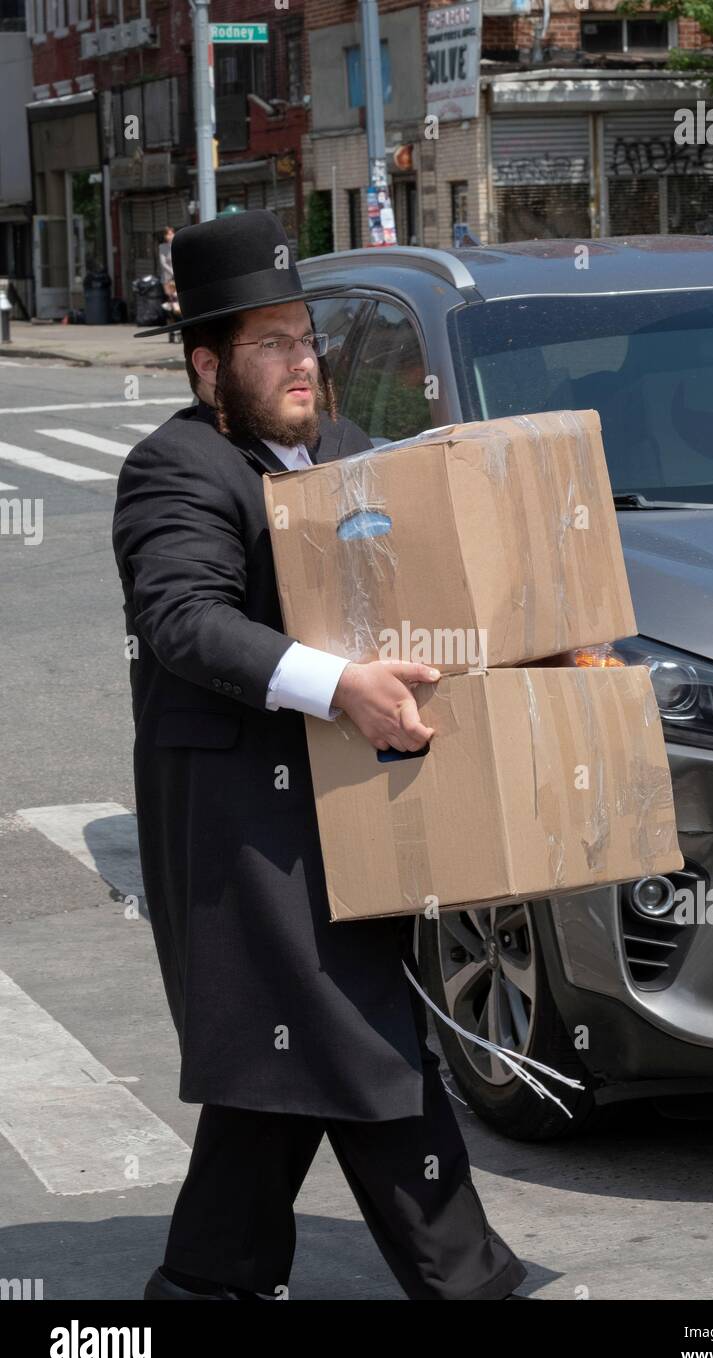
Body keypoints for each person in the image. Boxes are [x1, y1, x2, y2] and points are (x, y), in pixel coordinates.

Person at [111, 210, 529, 1302]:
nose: (304, 362)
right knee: (369, 1053)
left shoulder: (347, 456)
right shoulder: (177, 468)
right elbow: (183, 620)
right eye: (271, 344)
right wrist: (338, 682)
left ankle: (204, 1287)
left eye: (308, 338)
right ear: (209, 365)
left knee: (277, 1077)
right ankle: (471, 1283)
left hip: (359, 826)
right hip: (251, 844)